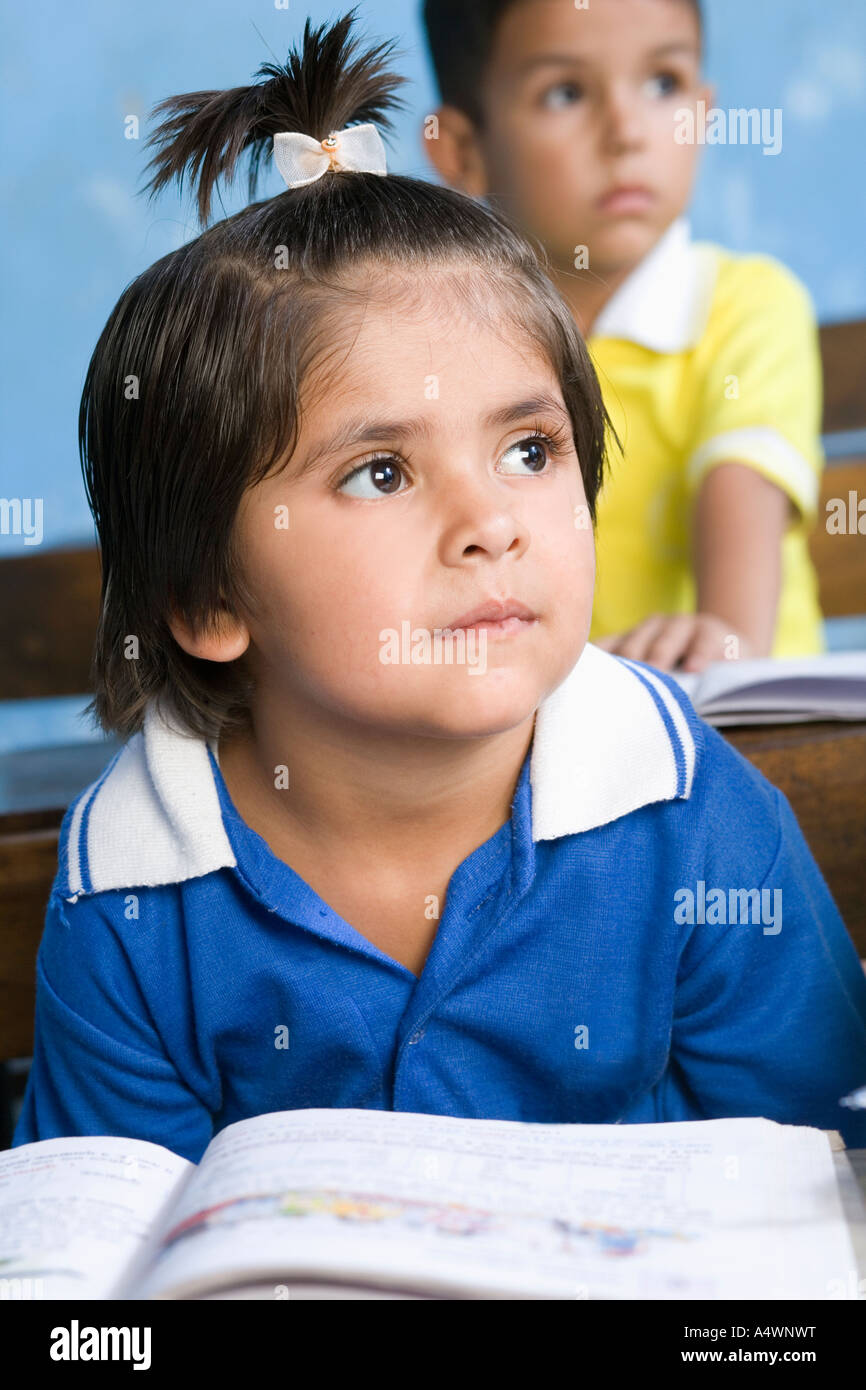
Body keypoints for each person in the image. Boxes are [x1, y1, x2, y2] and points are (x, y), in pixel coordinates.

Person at [13, 10, 866, 1165]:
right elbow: (99, 1249)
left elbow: (823, 1174)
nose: (489, 526)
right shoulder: (128, 885)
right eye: (380, 471)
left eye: (529, 452)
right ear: (210, 598)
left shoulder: (690, 819)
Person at [422, 0, 827, 672]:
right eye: (566, 93)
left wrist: (721, 638)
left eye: (664, 83)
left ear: (704, 112)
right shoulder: (445, 346)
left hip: (747, 733)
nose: (627, 132)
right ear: (463, 150)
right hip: (555, 743)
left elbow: (731, 633)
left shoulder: (745, 306)